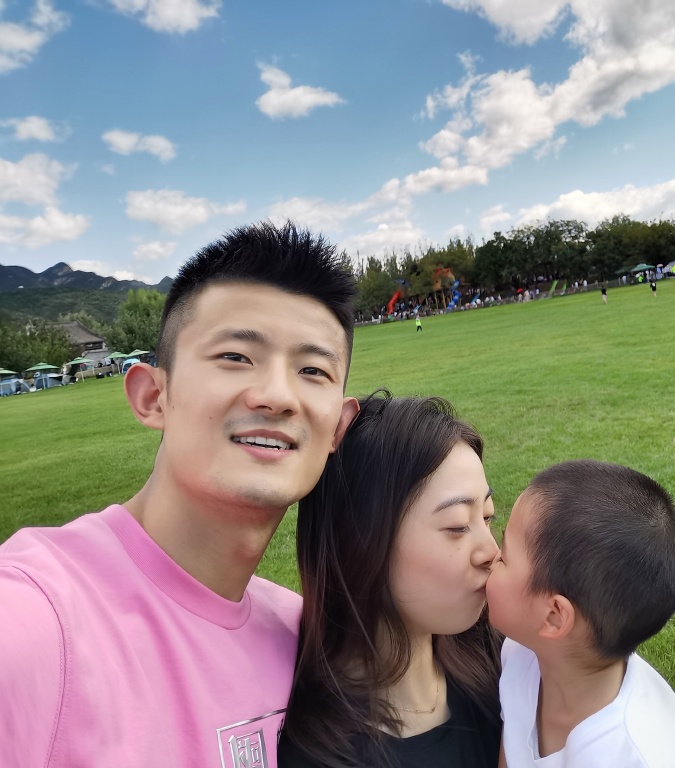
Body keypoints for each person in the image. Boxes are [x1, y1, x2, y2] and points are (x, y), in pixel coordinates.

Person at [0, 221, 360, 766]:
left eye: (312, 369)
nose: (277, 396)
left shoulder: (304, 635)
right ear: (152, 396)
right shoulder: (40, 621)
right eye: (237, 356)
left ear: (338, 428)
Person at [281, 391, 502, 768]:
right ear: (361, 540)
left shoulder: (508, 658)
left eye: (487, 516)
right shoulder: (308, 747)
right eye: (457, 526)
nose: (492, 552)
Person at [487, 461, 675, 768]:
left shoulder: (641, 757)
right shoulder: (520, 654)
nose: (491, 555)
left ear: (554, 616)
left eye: (505, 555)